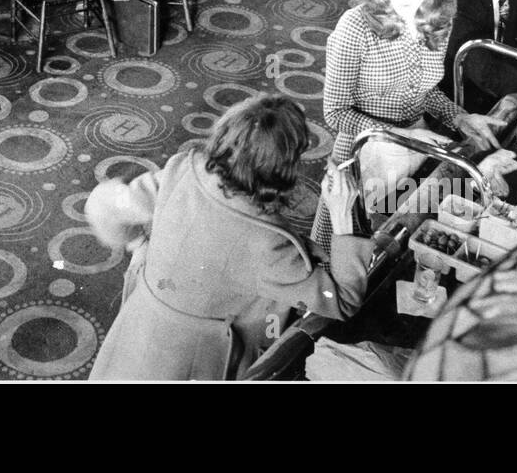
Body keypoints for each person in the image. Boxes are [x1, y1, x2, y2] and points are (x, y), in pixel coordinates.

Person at [84, 95, 372, 380]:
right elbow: (342, 301)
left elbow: (102, 207)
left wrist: (139, 246)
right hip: (195, 361)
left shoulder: (182, 168)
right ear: (283, 170)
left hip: (139, 328)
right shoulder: (268, 243)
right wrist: (344, 221)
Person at [309, 0, 507, 249]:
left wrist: (459, 117)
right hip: (363, 150)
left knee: (397, 233)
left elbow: (421, 89)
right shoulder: (354, 29)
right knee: (342, 243)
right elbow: (335, 113)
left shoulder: (438, 21)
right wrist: (401, 136)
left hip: (413, 147)